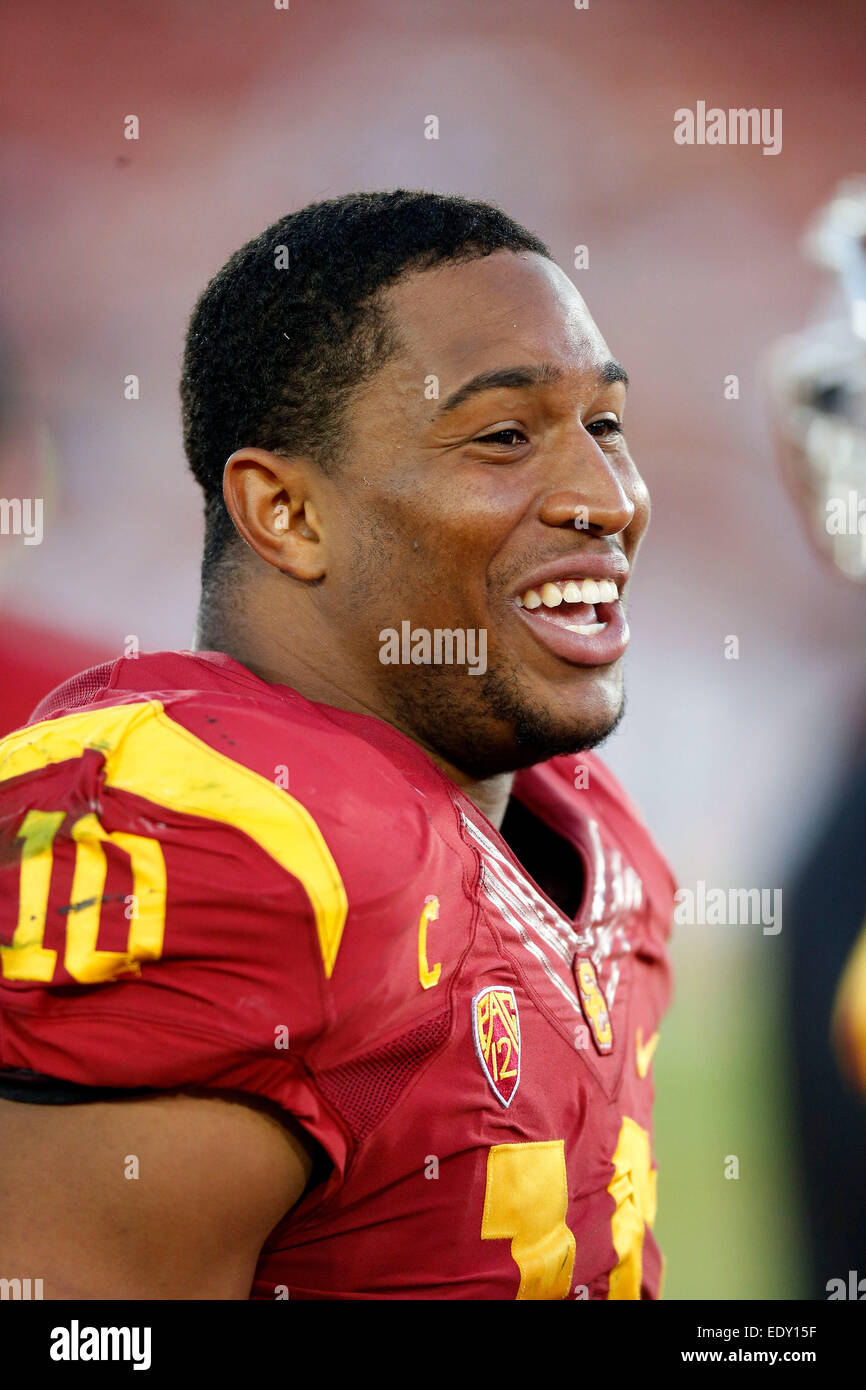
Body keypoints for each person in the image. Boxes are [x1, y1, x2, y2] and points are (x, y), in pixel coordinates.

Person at [0, 190, 675, 1300]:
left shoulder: (593, 831)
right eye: (504, 437)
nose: (607, 500)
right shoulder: (221, 838)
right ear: (288, 514)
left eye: (604, 425)